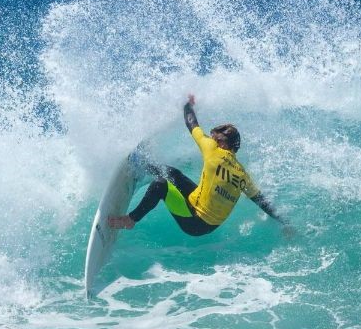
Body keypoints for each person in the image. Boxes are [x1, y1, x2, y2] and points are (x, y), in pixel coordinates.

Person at [109, 94, 291, 237]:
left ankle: (130, 220)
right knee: (173, 173)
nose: (211, 139)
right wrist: (284, 222)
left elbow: (191, 123)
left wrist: (187, 105)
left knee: (160, 185)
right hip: (207, 220)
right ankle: (143, 166)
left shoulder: (213, 149)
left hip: (195, 222)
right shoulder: (242, 174)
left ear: (222, 143)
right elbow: (261, 201)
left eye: (214, 138)